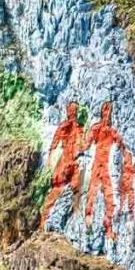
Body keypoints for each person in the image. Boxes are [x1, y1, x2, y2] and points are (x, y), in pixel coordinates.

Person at [39, 102, 86, 230]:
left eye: (74, 111)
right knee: (57, 189)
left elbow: (83, 146)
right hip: (65, 161)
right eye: (71, 110)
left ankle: (75, 220)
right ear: (67, 112)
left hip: (74, 162)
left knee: (76, 191)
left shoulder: (79, 129)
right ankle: (44, 224)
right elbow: (54, 144)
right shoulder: (65, 127)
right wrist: (49, 158)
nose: (72, 113)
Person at [84, 101, 125, 241]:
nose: (107, 114)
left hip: (106, 168)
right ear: (101, 113)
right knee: (92, 194)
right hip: (97, 166)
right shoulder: (96, 129)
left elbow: (121, 145)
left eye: (109, 111)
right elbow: (86, 143)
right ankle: (88, 223)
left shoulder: (112, 131)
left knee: (109, 197)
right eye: (105, 111)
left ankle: (109, 228)